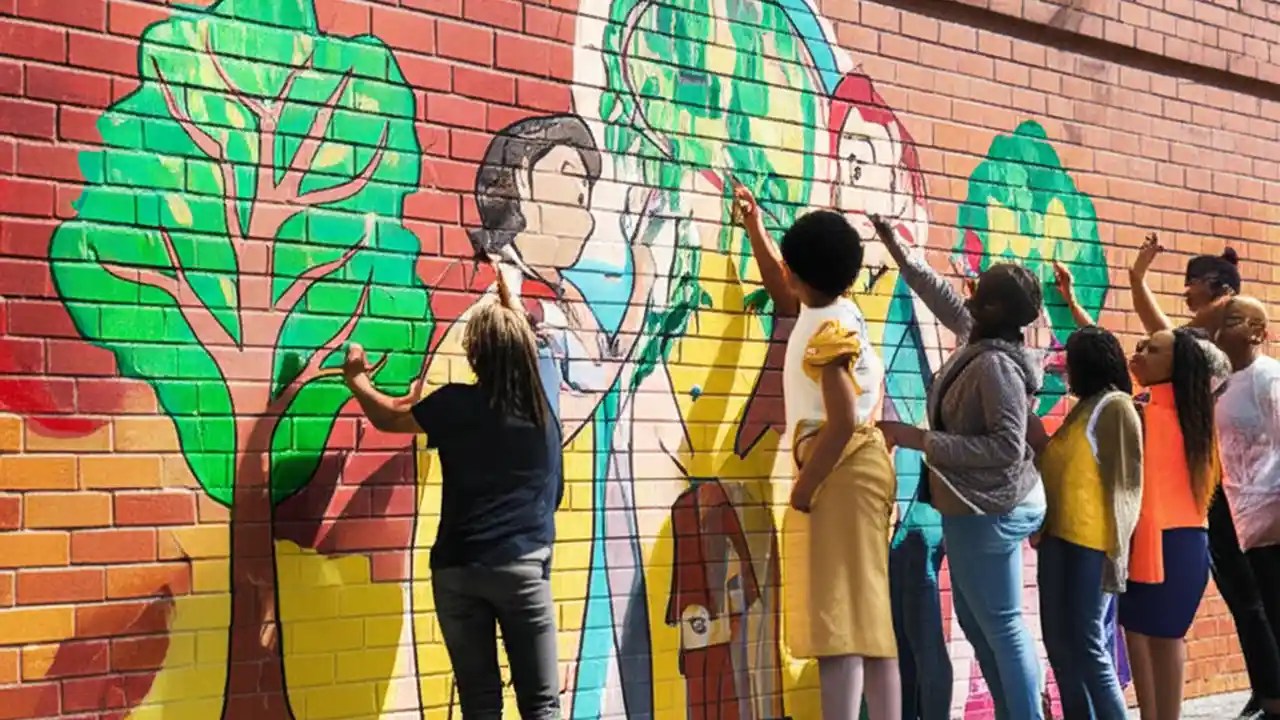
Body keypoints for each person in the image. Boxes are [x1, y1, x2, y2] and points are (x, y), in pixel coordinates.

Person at [342, 267, 564, 720]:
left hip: (458, 569)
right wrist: (508, 291)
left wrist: (357, 381)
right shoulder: (540, 406)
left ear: (474, 356)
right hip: (521, 568)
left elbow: (388, 418)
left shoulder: (454, 405)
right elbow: (522, 346)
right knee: (541, 706)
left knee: (479, 706)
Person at [732, 183, 900, 720]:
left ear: (803, 275)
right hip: (860, 468)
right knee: (868, 621)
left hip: (838, 469)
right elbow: (783, 290)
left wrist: (805, 488)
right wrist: (754, 226)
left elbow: (843, 416)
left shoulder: (828, 331)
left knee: (839, 625)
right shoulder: (835, 310)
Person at [870, 217, 1046, 720]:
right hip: (976, 503)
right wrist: (899, 251)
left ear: (995, 309)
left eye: (979, 292)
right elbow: (940, 296)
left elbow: (1006, 447)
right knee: (978, 621)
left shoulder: (995, 365)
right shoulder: (979, 338)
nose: (967, 293)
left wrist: (918, 439)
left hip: (988, 506)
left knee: (1003, 625)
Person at [1118, 236, 1270, 720]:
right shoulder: (1187, 369)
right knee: (1242, 602)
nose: (1186, 292)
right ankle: (1266, 690)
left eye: (1194, 284)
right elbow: (1159, 333)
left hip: (1247, 507)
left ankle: (1270, 693)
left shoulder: (1243, 373)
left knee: (1254, 601)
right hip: (1216, 505)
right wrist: (1137, 279)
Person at [1031, 325, 1142, 720]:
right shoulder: (1082, 410)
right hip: (1056, 538)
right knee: (1059, 643)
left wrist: (1118, 554)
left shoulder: (1116, 407)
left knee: (1087, 642)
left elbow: (1127, 485)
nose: (1065, 371)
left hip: (1092, 543)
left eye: (1071, 363)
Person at [1122, 326, 1220, 720]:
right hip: (1176, 541)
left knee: (1155, 635)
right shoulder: (1196, 416)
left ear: (1177, 365)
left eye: (1154, 350)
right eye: (1142, 346)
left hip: (1166, 542)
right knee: (1151, 635)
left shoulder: (1141, 411)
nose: (1141, 353)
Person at [1214, 296, 1280, 720]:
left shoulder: (1268, 378)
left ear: (1258, 332)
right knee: (1263, 615)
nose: (1222, 329)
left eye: (1235, 321)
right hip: (1242, 521)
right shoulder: (1219, 383)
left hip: (1273, 517)